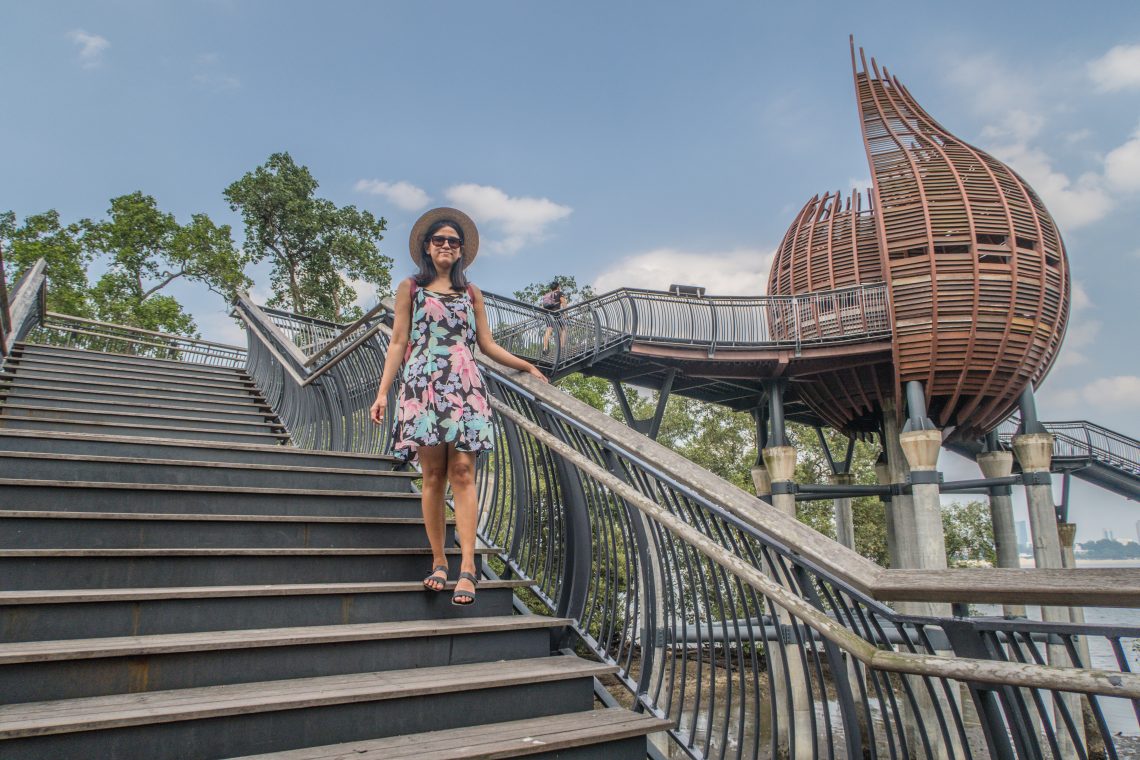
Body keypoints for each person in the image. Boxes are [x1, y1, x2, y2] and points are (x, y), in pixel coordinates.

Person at [370, 207, 547, 606]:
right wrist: (383, 393)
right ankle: (438, 562)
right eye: (439, 241)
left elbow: (486, 345)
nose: (446, 246)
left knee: (463, 471)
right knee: (433, 475)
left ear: (461, 250)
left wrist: (526, 365)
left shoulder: (472, 293)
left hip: (465, 386)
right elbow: (398, 342)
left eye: (452, 241)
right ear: (427, 249)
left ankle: (467, 566)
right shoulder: (410, 289)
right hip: (423, 383)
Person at [540, 280, 568, 355]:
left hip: (548, 314)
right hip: (556, 313)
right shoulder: (559, 293)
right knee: (564, 328)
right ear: (558, 287)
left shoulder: (547, 294)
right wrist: (566, 313)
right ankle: (561, 347)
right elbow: (563, 302)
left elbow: (543, 306)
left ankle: (545, 348)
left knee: (548, 330)